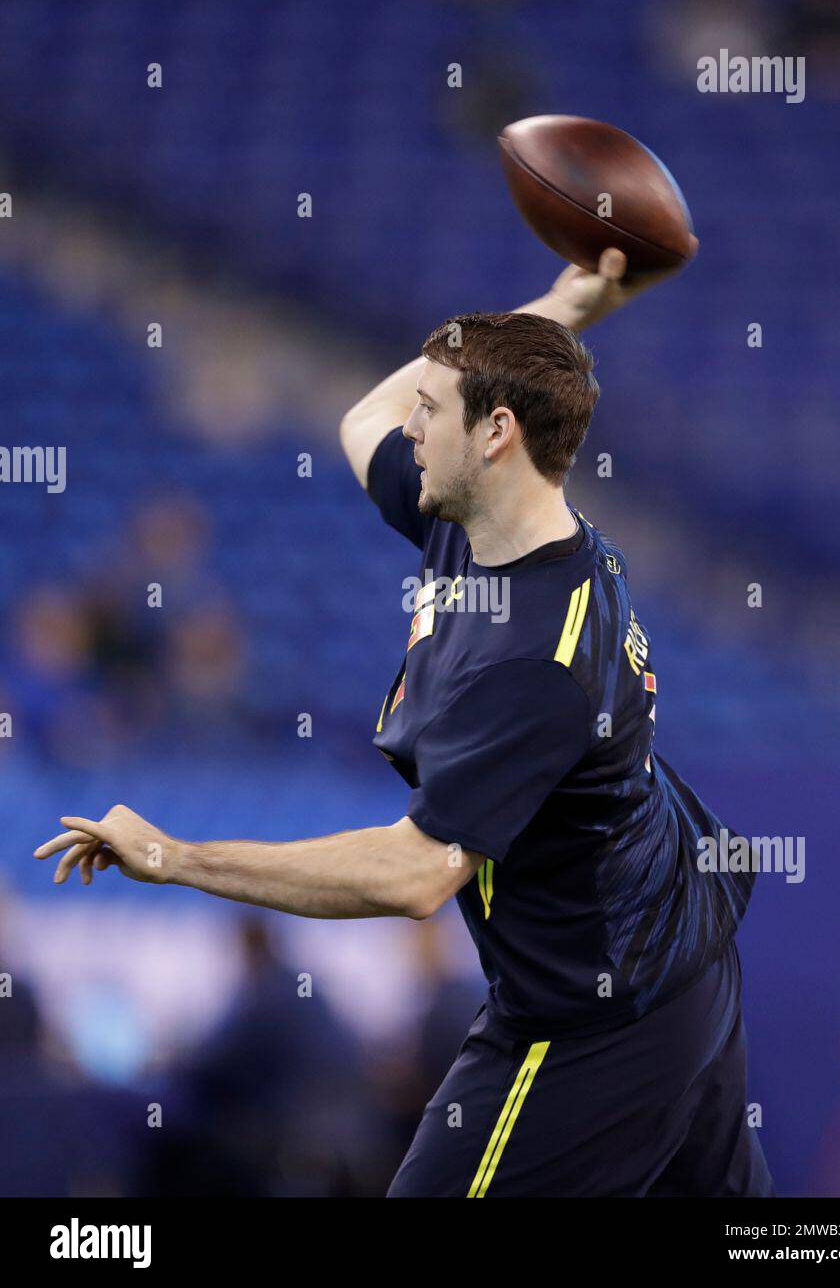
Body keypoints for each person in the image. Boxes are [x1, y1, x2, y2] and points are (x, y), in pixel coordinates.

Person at [35, 249, 773, 1197]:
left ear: (497, 432)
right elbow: (363, 418)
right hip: (675, 952)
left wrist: (175, 858)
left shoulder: (536, 655)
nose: (410, 425)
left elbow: (416, 873)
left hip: (598, 1011)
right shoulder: (478, 521)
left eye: (436, 410)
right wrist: (558, 306)